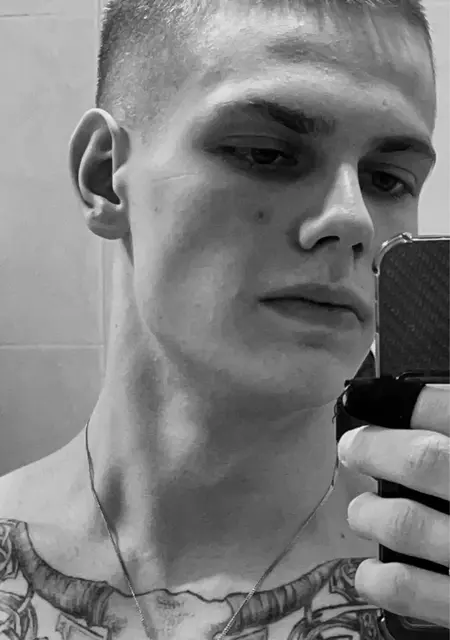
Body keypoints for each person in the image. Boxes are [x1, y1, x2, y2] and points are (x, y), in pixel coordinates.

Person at [0, 0, 448, 638]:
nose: (355, 219)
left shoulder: (428, 577)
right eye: (265, 153)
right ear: (104, 177)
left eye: (389, 178)